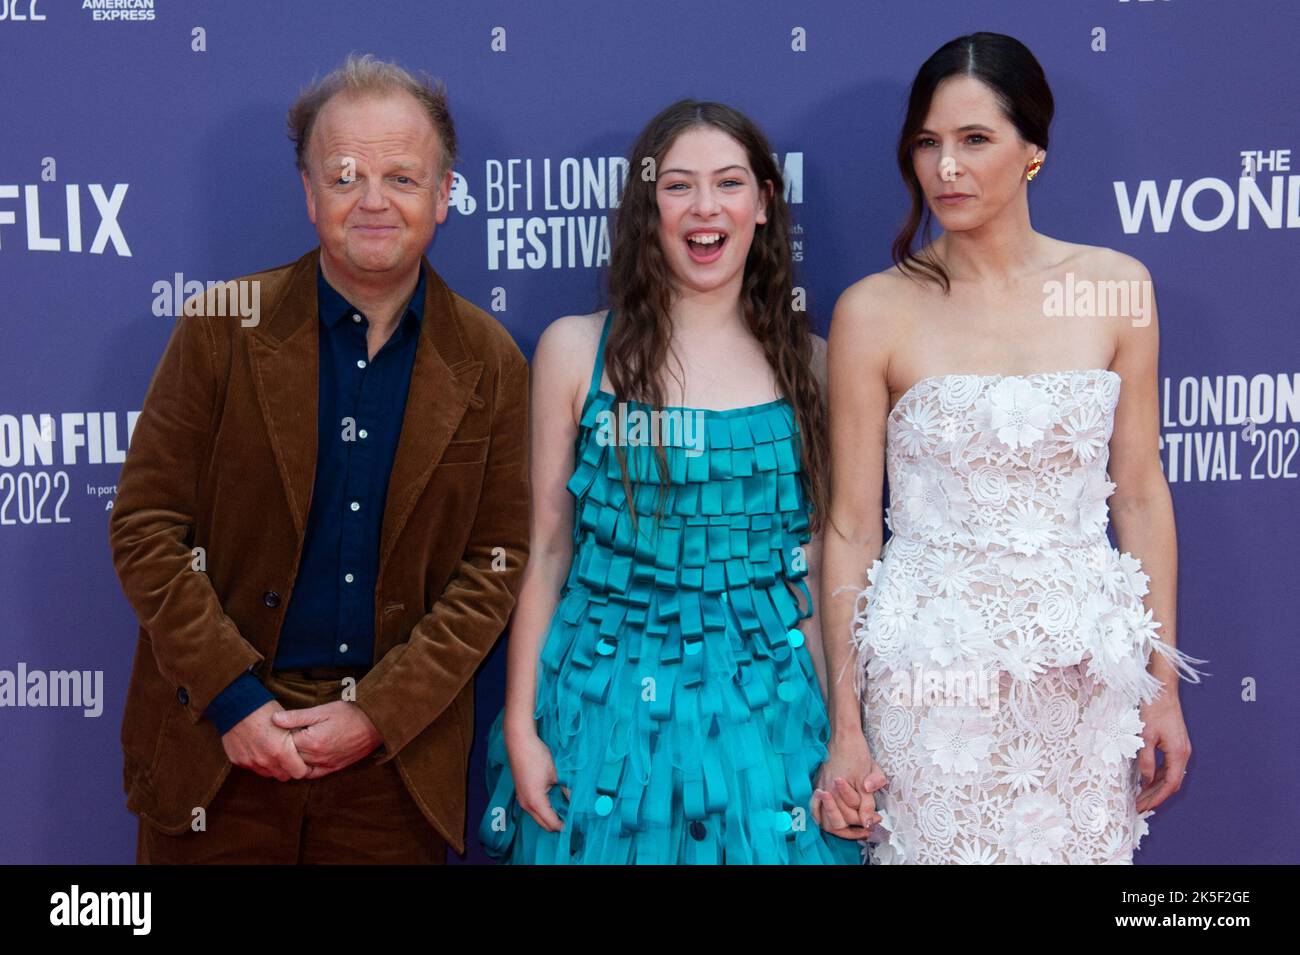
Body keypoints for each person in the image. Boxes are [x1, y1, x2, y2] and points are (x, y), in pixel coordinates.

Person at [110, 53, 529, 864]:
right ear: (309, 195)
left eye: (402, 178)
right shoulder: (218, 329)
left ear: (444, 196)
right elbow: (146, 527)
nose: (373, 200)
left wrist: (377, 712)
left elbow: (493, 567)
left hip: (390, 770)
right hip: (216, 754)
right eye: (344, 176)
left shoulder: (492, 361)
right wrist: (233, 700)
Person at [816, 32, 1206, 864]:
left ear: (1033, 151)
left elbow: (1138, 493)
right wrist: (845, 724)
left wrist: (1160, 685)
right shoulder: (874, 311)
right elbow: (851, 528)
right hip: (930, 689)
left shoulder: (1117, 287)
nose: (945, 168)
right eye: (927, 143)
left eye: (974, 140)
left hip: (1081, 682)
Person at [477, 99, 860, 864]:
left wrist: (843, 733)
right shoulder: (575, 351)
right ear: (647, 206)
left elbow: (816, 568)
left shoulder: (814, 362)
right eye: (678, 185)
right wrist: (520, 722)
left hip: (768, 718)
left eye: (728, 183)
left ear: (763, 205)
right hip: (601, 716)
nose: (705, 207)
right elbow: (546, 550)